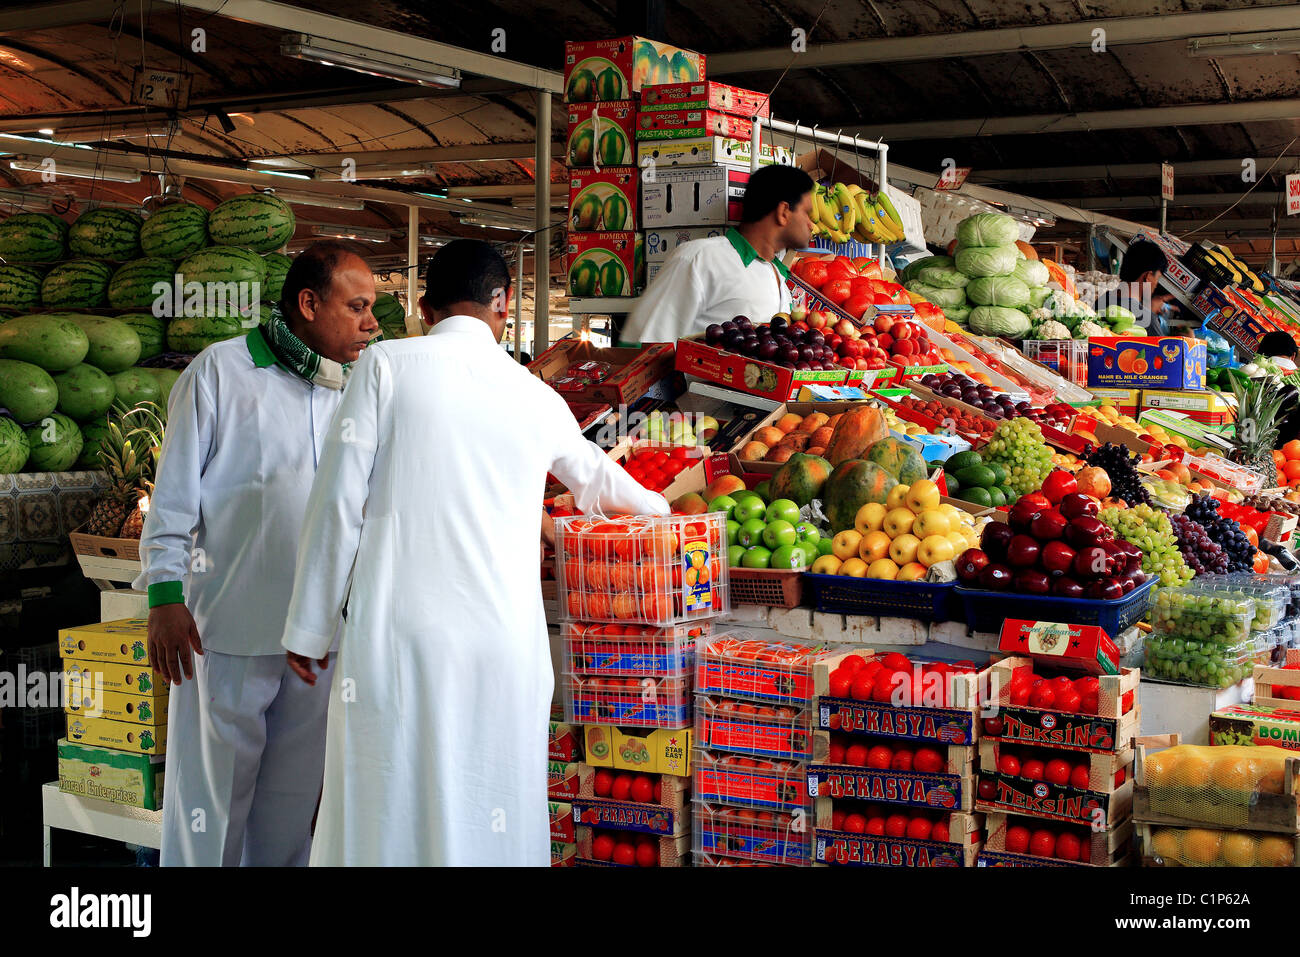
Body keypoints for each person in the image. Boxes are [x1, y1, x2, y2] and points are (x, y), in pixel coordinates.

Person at [280, 239, 670, 866]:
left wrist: (309, 626)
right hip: (503, 646)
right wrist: (667, 512)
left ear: (425, 308)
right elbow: (601, 482)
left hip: (399, 640)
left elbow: (336, 506)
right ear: (504, 303)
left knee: (391, 804)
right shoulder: (534, 394)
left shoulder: (384, 368)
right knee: (495, 809)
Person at [134, 240, 378, 866]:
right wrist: (164, 595)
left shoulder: (352, 388)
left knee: (291, 812)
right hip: (227, 634)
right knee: (211, 808)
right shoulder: (220, 372)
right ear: (308, 303)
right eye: (356, 307)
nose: (370, 323)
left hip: (315, 642)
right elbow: (174, 496)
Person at [620, 164, 815, 345]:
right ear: (783, 212)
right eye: (806, 213)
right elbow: (643, 341)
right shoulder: (699, 258)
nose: (811, 225)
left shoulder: (778, 276)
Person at [1113, 240, 1175, 331]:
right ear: (1148, 276)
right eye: (1157, 278)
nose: (1156, 284)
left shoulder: (1100, 302)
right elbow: (1163, 345)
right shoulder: (1147, 320)